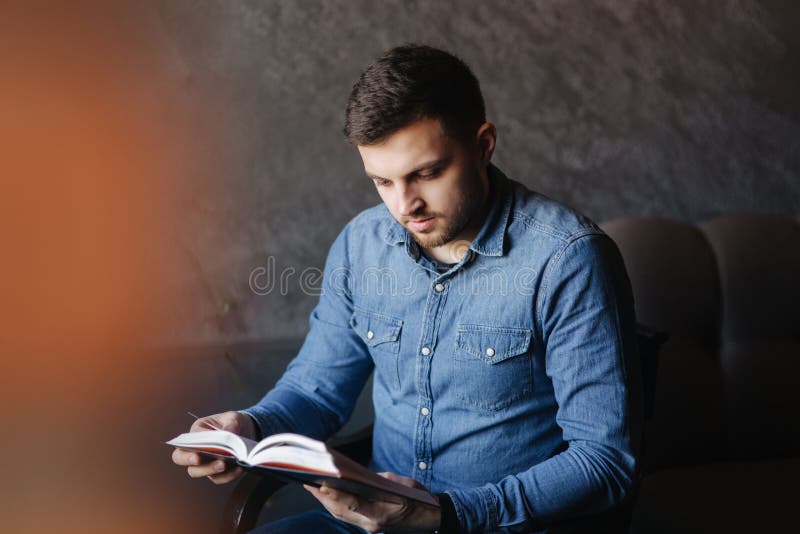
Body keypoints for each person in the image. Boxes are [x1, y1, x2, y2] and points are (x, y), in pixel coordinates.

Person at [172, 44, 642, 534]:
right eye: (383, 181)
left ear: (483, 145)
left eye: (427, 173)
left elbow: (605, 461)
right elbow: (316, 392)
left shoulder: (568, 258)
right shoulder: (361, 244)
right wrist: (249, 428)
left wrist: (448, 514)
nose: (406, 206)